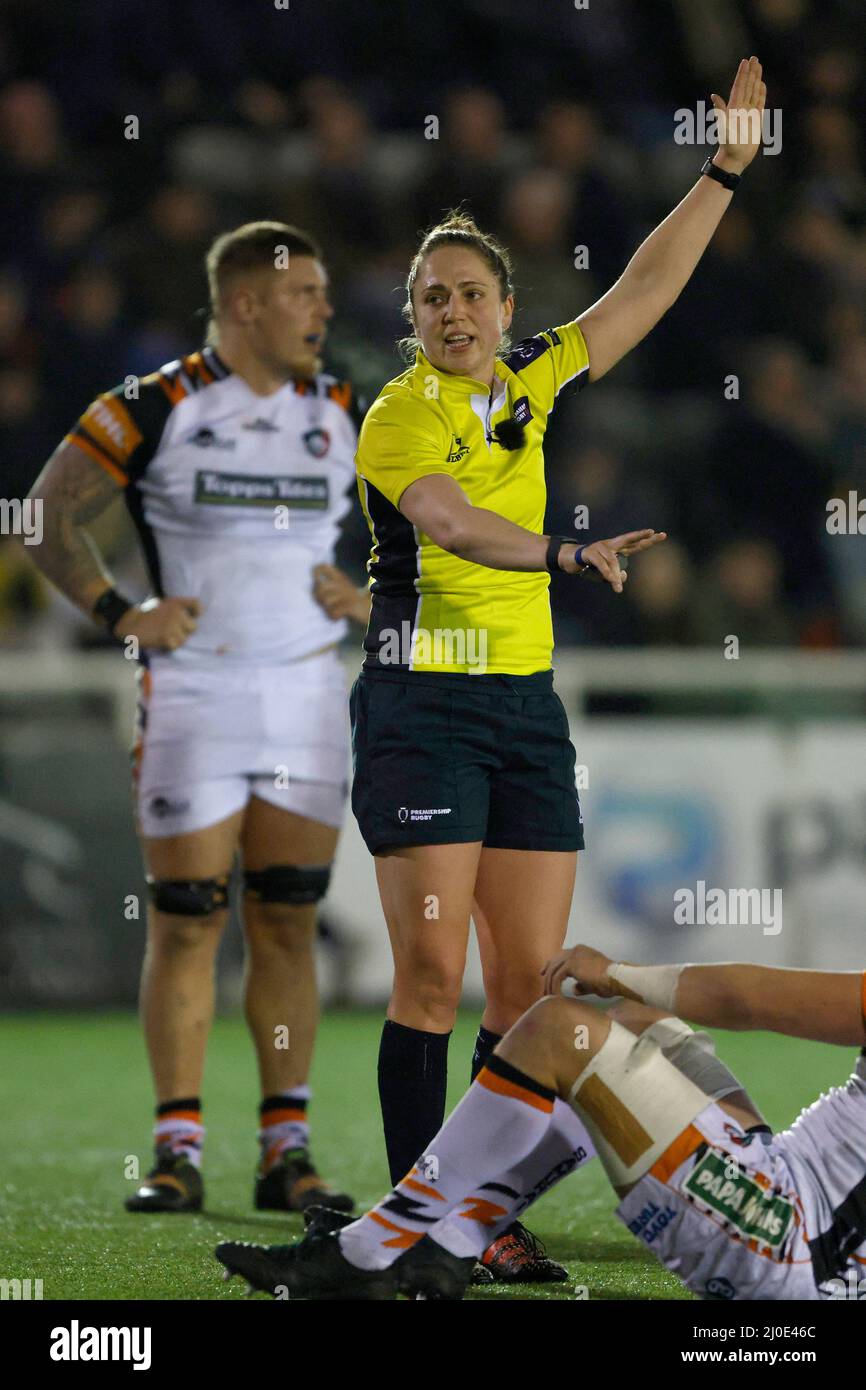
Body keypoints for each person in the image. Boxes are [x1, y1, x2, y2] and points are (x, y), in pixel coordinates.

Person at [342, 58, 766, 1280]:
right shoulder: (398, 416)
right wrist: (563, 550)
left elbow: (644, 288)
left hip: (521, 710)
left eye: (470, 294)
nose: (453, 314)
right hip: (422, 705)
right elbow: (453, 526)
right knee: (427, 974)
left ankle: (475, 1218)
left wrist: (723, 171)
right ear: (412, 320)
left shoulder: (532, 375)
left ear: (502, 302)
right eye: (431, 301)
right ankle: (409, 1226)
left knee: (528, 991)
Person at [25, 221, 362, 1215]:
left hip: (305, 695)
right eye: (304, 293)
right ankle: (176, 1150)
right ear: (246, 304)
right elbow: (43, 515)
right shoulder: (157, 405)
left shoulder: (344, 403)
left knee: (288, 921)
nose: (323, 312)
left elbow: (426, 511)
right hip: (195, 697)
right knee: (186, 924)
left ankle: (284, 1152)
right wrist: (120, 614)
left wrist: (374, 592)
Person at [215, 945, 866, 1301]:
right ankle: (451, 1244)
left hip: (785, 1239)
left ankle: (364, 1254)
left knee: (558, 1031)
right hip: (811, 1237)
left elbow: (748, 1001)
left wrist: (616, 972)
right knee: (642, 1032)